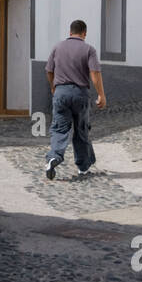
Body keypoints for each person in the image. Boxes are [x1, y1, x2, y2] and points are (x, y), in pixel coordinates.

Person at [44, 19, 106, 180]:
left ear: (70, 32)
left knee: (59, 128)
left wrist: (53, 87)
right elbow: (94, 73)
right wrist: (101, 94)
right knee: (81, 131)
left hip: (61, 93)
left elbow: (49, 70)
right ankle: (83, 167)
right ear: (84, 33)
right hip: (80, 94)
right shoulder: (88, 49)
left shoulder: (57, 47)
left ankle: (54, 157)